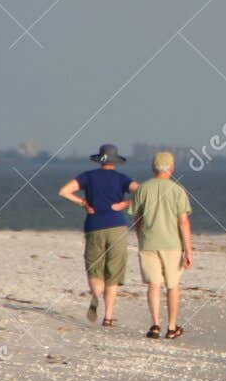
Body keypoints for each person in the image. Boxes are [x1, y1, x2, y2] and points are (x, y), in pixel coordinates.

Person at [58, 144, 136, 327]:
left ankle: (95, 294)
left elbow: (64, 191)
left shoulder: (88, 177)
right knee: (113, 273)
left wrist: (83, 202)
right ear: (115, 161)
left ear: (100, 159)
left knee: (94, 268)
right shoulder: (122, 179)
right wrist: (123, 205)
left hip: (94, 225)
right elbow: (142, 192)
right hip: (117, 226)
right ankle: (108, 317)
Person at [130, 150, 194, 339]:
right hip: (172, 245)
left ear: (153, 168)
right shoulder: (177, 190)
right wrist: (188, 250)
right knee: (173, 286)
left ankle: (156, 324)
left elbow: (137, 219)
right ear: (172, 168)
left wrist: (140, 238)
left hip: (149, 242)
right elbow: (183, 222)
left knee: (154, 284)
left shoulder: (143, 189)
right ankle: (172, 327)